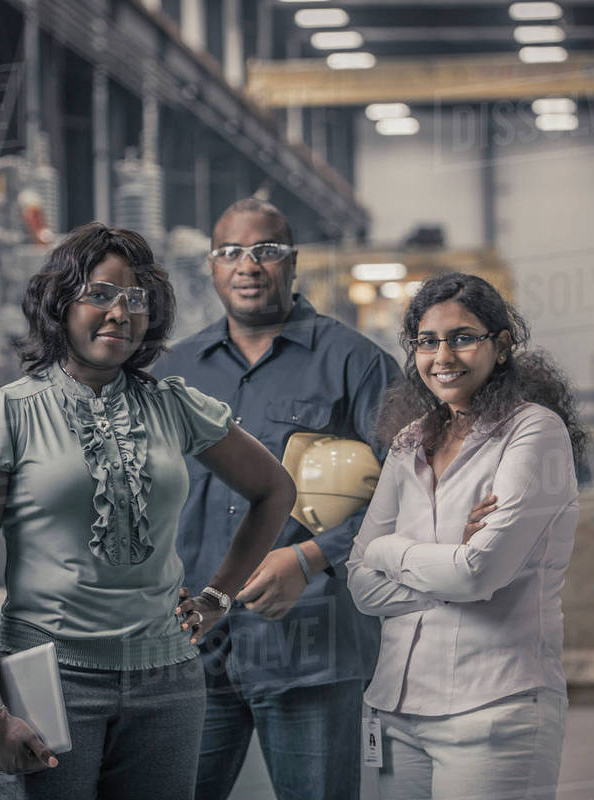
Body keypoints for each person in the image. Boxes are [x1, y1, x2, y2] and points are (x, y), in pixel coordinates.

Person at [0, 222, 295, 800]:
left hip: (168, 683)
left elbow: (275, 489)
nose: (120, 313)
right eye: (99, 294)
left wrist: (217, 598)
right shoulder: (5, 413)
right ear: (60, 304)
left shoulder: (174, 406)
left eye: (135, 299)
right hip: (49, 680)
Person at [156, 198, 400, 800]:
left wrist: (310, 556)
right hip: (192, 650)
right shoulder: (173, 373)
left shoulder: (357, 365)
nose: (248, 265)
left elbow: (409, 492)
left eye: (265, 250)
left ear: (292, 264)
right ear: (212, 269)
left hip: (310, 651)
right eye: (231, 252)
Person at [348, 272, 588, 800]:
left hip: (494, 707)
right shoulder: (411, 440)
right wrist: (449, 562)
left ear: (500, 345)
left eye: (462, 337)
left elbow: (479, 573)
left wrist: (390, 551)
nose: (443, 356)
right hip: (394, 706)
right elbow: (360, 586)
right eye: (427, 342)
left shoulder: (534, 432)